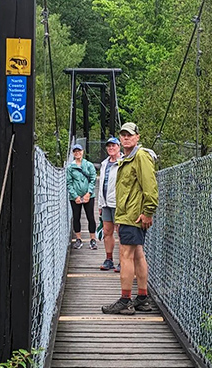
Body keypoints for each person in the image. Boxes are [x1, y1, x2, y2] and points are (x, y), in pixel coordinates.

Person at [101, 122, 158, 315]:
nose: (126, 138)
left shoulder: (140, 157)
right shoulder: (128, 158)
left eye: (129, 135)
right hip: (130, 215)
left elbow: (150, 187)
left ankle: (126, 300)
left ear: (137, 137)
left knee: (125, 255)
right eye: (123, 135)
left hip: (132, 217)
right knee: (138, 254)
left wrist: (148, 211)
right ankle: (142, 298)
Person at [97, 137, 122, 271]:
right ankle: (109, 259)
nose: (111, 148)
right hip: (106, 203)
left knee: (120, 232)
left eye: (114, 146)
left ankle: (123, 262)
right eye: (109, 146)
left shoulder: (124, 163)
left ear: (119, 147)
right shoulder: (104, 164)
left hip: (118, 203)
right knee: (107, 231)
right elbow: (101, 185)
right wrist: (100, 205)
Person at [66, 144, 97, 250]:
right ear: (73, 153)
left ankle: (93, 239)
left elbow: (93, 179)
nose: (77, 153)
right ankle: (78, 239)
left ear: (83, 151)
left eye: (79, 151)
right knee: (76, 217)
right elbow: (69, 183)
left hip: (89, 196)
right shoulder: (70, 167)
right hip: (75, 197)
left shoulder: (89, 165)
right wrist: (75, 196)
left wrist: (89, 193)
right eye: (75, 151)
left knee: (91, 217)